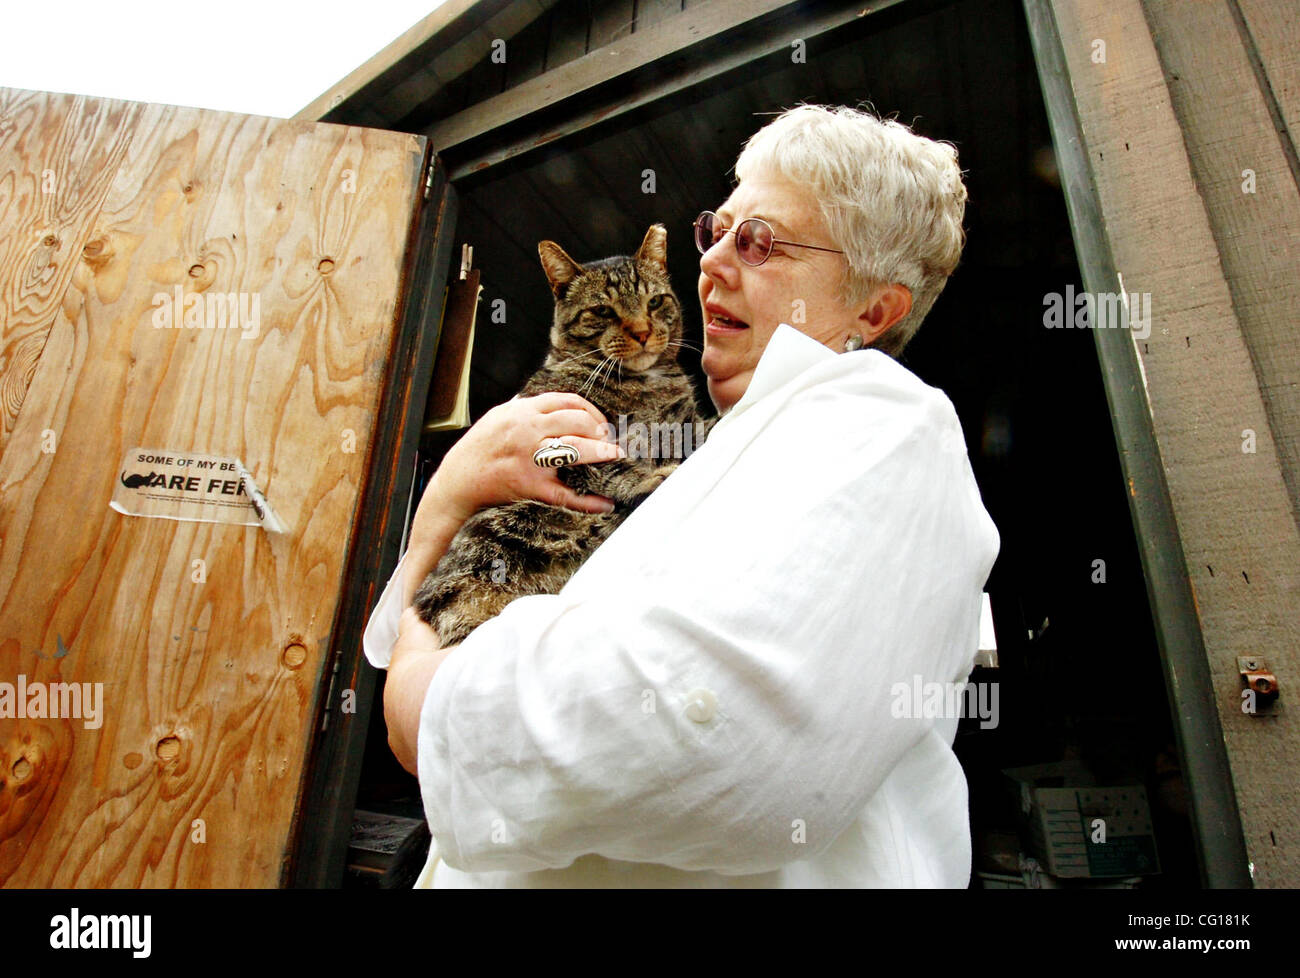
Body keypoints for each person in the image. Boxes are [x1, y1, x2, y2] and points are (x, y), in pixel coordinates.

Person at [363, 104, 999, 887]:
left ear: (872, 309)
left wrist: (421, 701)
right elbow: (418, 626)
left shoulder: (884, 422)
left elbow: (692, 728)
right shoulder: (727, 453)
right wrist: (449, 498)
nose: (713, 264)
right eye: (716, 231)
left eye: (760, 241)